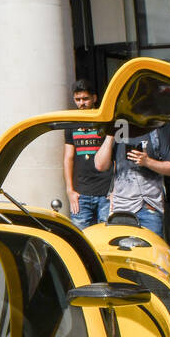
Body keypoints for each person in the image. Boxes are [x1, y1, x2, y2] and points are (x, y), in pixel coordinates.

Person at [94, 123, 170, 237]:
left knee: (149, 253)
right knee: (123, 252)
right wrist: (110, 134)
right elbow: (100, 165)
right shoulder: (119, 131)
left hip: (149, 207)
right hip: (122, 209)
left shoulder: (155, 131)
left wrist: (147, 162)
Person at [63, 80, 112, 228]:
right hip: (81, 193)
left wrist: (115, 190)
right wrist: (69, 190)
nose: (81, 103)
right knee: (82, 239)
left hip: (106, 193)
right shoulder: (71, 123)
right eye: (78, 99)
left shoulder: (105, 121)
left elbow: (116, 158)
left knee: (105, 238)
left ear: (94, 98)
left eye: (85, 99)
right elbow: (68, 158)